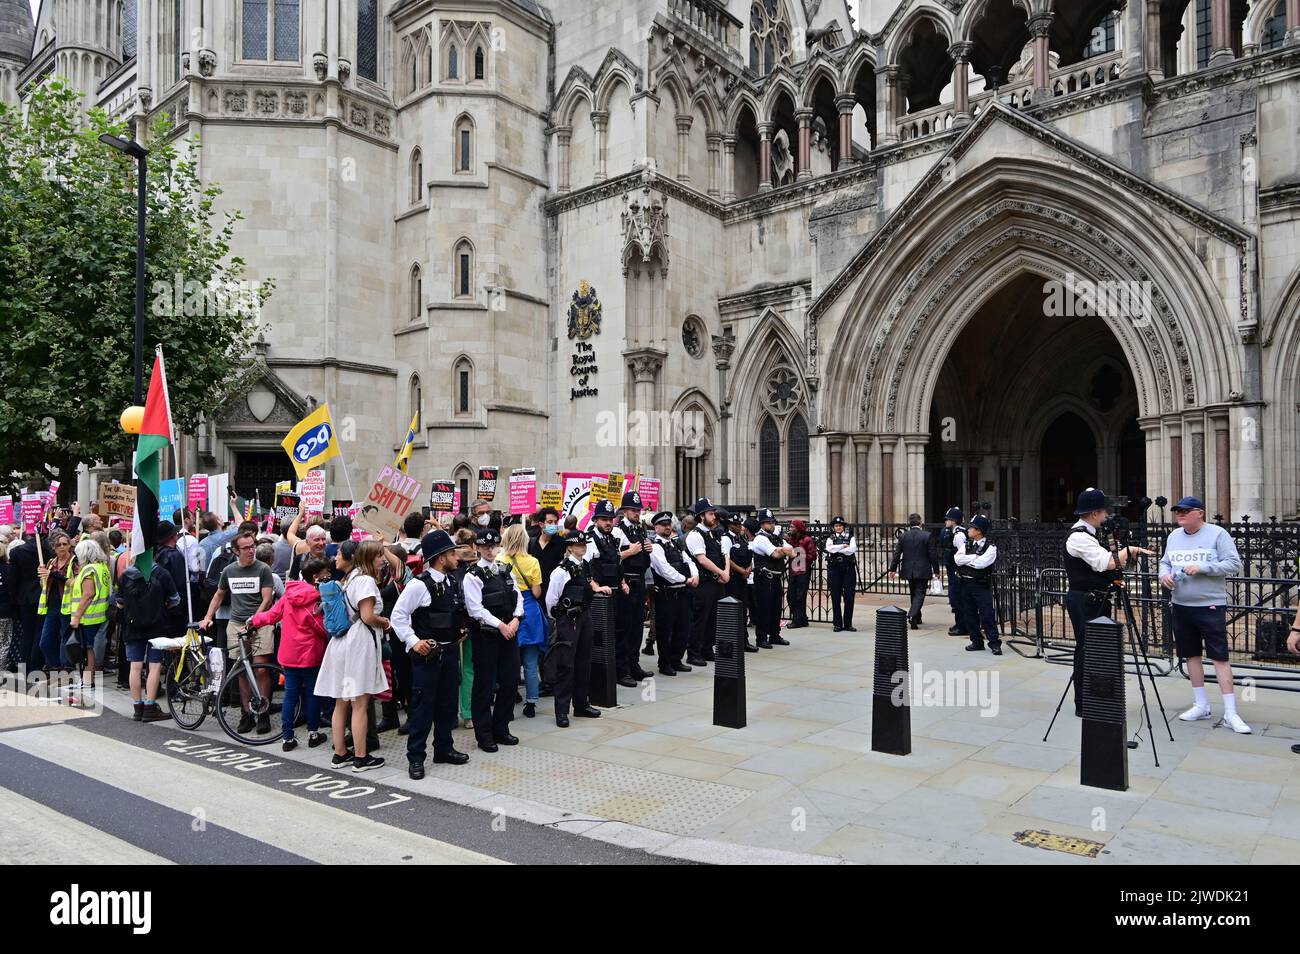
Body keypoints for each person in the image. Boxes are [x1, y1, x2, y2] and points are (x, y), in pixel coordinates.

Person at [1159, 496, 1248, 733]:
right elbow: (1164, 563)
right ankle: (1201, 704)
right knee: (1191, 655)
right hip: (1181, 604)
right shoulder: (1173, 537)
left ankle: (1230, 712)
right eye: (1178, 511)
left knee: (1219, 657)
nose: (1180, 514)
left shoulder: (1217, 534)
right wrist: (1164, 576)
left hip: (1209, 604)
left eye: (1185, 511)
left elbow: (1233, 564)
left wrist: (1204, 568)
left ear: (1200, 513)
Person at [1064, 488, 1153, 717]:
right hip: (1085, 601)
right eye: (1105, 511)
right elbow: (1107, 563)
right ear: (1095, 513)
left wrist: (1120, 546)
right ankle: (1084, 702)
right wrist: (1129, 549)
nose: (1107, 516)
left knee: (1097, 648)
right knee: (1087, 650)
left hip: (1096, 599)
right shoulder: (1079, 537)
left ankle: (1099, 696)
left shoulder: (1091, 534)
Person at [391, 530, 470, 778]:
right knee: (423, 707)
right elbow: (398, 617)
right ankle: (416, 757)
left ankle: (444, 748)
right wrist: (414, 642)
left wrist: (460, 630)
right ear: (439, 557)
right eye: (451, 552)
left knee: (447, 705)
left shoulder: (452, 582)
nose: (456, 556)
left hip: (449, 653)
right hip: (428, 656)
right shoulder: (418, 585)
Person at [316, 540, 391, 771]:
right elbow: (368, 616)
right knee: (359, 703)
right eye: (379, 555)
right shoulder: (365, 581)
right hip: (358, 643)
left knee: (341, 701)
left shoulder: (345, 580)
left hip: (340, 643)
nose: (383, 559)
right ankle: (361, 757)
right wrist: (385, 622)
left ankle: (340, 753)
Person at [247, 556, 331, 751]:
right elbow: (321, 627)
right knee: (312, 695)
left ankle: (287, 738)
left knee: (290, 697)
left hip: (289, 655)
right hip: (310, 656)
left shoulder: (288, 595)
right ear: (315, 576)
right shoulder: (314, 600)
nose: (328, 576)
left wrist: (254, 620)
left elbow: (272, 615)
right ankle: (313, 733)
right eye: (325, 573)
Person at [198, 530, 276, 734]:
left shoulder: (263, 569)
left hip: (260, 623)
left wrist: (255, 620)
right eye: (246, 548)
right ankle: (246, 713)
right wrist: (208, 617)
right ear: (235, 551)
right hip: (236, 624)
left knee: (261, 669)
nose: (251, 551)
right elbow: (218, 595)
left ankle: (263, 712)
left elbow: (267, 599)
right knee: (241, 671)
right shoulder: (229, 571)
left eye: (253, 546)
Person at [463, 527, 523, 751]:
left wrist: (516, 619)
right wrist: (501, 625)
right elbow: (475, 609)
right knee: (484, 686)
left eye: (494, 545)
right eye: (485, 546)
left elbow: (518, 596)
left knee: (509, 682)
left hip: (509, 631)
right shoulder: (473, 575)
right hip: (487, 635)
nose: (490, 550)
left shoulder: (506, 570)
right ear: (477, 547)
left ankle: (502, 728)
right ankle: (484, 734)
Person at [545, 530, 608, 727]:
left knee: (584, 662)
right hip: (568, 619)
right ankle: (561, 711)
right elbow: (551, 601)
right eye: (578, 545)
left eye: (584, 544)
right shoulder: (561, 571)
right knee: (566, 665)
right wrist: (561, 619)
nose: (583, 547)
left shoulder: (585, 566)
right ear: (570, 547)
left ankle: (581, 704)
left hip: (585, 616)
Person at [115, 555, 181, 722]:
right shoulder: (162, 574)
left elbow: (119, 602)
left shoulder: (125, 576)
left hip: (132, 626)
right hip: (157, 625)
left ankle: (137, 707)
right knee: (155, 666)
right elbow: (175, 600)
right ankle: (150, 707)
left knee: (135, 667)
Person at [499, 523, 546, 718]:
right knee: (531, 662)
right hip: (530, 612)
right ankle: (531, 703)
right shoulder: (533, 561)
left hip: (508, 613)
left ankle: (509, 701)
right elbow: (536, 592)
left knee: (508, 663)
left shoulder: (499, 560)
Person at [584, 499, 630, 684]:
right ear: (595, 520)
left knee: (620, 632)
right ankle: (599, 675)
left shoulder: (612, 538)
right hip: (599, 597)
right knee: (600, 636)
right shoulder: (589, 539)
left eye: (610, 519)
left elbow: (616, 564)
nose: (608, 522)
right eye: (604, 519)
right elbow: (584, 567)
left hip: (615, 592)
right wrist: (594, 586)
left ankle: (620, 672)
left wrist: (623, 581)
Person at [648, 511, 698, 675]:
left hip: (682, 593)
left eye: (669, 524)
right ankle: (665, 663)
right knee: (665, 631)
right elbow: (666, 571)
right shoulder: (656, 546)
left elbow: (689, 560)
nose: (667, 527)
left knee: (683, 629)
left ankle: (676, 660)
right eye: (663, 525)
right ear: (656, 528)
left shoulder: (675, 544)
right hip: (666, 594)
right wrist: (686, 579)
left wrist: (695, 575)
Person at [612, 491, 654, 685]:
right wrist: (630, 552)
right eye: (633, 510)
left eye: (638, 510)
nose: (637, 513)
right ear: (625, 511)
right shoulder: (617, 530)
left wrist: (648, 550)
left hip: (640, 581)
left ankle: (634, 664)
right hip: (626, 582)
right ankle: (622, 670)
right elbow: (613, 557)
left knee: (637, 626)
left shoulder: (641, 528)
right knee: (625, 627)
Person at [685, 498, 728, 666]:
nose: (714, 517)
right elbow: (702, 560)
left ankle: (707, 649)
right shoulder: (696, 535)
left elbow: (721, 555)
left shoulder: (712, 533)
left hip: (715, 582)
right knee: (700, 619)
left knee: (713, 619)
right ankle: (693, 652)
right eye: (710, 514)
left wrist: (724, 573)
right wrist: (721, 572)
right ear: (701, 516)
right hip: (703, 583)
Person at [66, 539, 110, 688]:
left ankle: (87, 680)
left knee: (87, 649)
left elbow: (88, 594)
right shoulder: (102, 567)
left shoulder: (89, 570)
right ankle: (87, 680)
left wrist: (77, 616)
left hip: (88, 616)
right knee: (88, 648)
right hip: (98, 614)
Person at [955, 515, 1000, 655]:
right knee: (969, 613)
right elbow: (957, 559)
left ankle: (994, 643)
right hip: (965, 582)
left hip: (980, 584)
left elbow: (982, 564)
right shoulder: (966, 544)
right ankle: (976, 641)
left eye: (972, 527)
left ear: (979, 531)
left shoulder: (991, 547)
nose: (968, 529)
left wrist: (968, 560)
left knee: (987, 613)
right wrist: (974, 557)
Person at [751, 509, 794, 648]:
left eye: (772, 522)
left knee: (776, 607)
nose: (771, 525)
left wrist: (780, 549)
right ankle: (761, 638)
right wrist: (782, 550)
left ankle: (775, 635)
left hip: (776, 577)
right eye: (768, 523)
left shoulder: (776, 538)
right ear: (761, 524)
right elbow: (774, 555)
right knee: (764, 608)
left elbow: (792, 551)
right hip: (764, 577)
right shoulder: (760, 538)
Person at [890, 514, 940, 630]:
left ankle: (917, 617)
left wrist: (892, 569)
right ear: (920, 523)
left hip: (908, 569)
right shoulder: (927, 535)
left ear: (910, 523)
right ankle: (912, 615)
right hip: (923, 569)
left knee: (914, 593)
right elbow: (933, 555)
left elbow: (897, 554)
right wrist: (936, 570)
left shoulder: (903, 536)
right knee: (920, 593)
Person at [36, 531, 77, 670]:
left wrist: (54, 575)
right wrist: (43, 576)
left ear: (69, 546)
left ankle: (66, 670)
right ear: (53, 547)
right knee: (45, 642)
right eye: (58, 545)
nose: (62, 547)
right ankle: (56, 666)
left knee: (65, 641)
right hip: (52, 606)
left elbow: (75, 583)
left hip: (68, 607)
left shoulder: (74, 561)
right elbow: (44, 586)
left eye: (65, 544)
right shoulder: (51, 562)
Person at [451, 527, 479, 727]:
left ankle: (451, 713)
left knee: (452, 671)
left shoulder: (449, 570)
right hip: (470, 625)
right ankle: (468, 712)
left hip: (451, 627)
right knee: (469, 668)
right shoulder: (475, 571)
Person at [723, 511, 756, 651]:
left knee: (743, 610)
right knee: (732, 611)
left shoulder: (741, 538)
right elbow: (727, 558)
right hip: (733, 579)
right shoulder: (726, 539)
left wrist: (748, 569)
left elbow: (750, 555)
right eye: (735, 524)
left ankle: (744, 641)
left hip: (743, 578)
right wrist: (742, 571)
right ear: (729, 525)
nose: (738, 527)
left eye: (739, 524)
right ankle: (733, 642)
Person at [8, 532, 42, 671]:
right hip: (40, 595)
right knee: (38, 632)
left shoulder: (17, 553)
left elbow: (12, 579)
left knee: (27, 633)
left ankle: (24, 666)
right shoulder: (44, 550)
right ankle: (35, 665)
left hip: (23, 597)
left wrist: (14, 597)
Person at [823, 516, 858, 632]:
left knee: (849, 597)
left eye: (840, 526)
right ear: (834, 527)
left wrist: (836, 548)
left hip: (848, 569)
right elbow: (829, 549)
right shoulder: (830, 538)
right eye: (836, 526)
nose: (838, 527)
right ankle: (837, 624)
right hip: (835, 569)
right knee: (835, 596)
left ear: (843, 527)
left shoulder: (851, 537)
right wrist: (842, 546)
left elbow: (852, 550)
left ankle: (848, 624)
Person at [939, 508, 967, 636]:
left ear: (954, 521)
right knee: (955, 597)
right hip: (953, 568)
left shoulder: (959, 534)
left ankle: (962, 626)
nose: (946, 521)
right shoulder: (953, 532)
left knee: (958, 598)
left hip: (957, 569)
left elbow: (962, 553)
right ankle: (959, 624)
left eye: (948, 519)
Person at [785, 519, 816, 628]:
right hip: (793, 570)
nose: (790, 529)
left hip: (803, 571)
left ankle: (797, 620)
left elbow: (813, 556)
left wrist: (800, 554)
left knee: (800, 597)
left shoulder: (808, 540)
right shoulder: (790, 540)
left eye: (792, 527)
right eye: (790, 527)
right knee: (790, 596)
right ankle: (802, 619)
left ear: (798, 528)